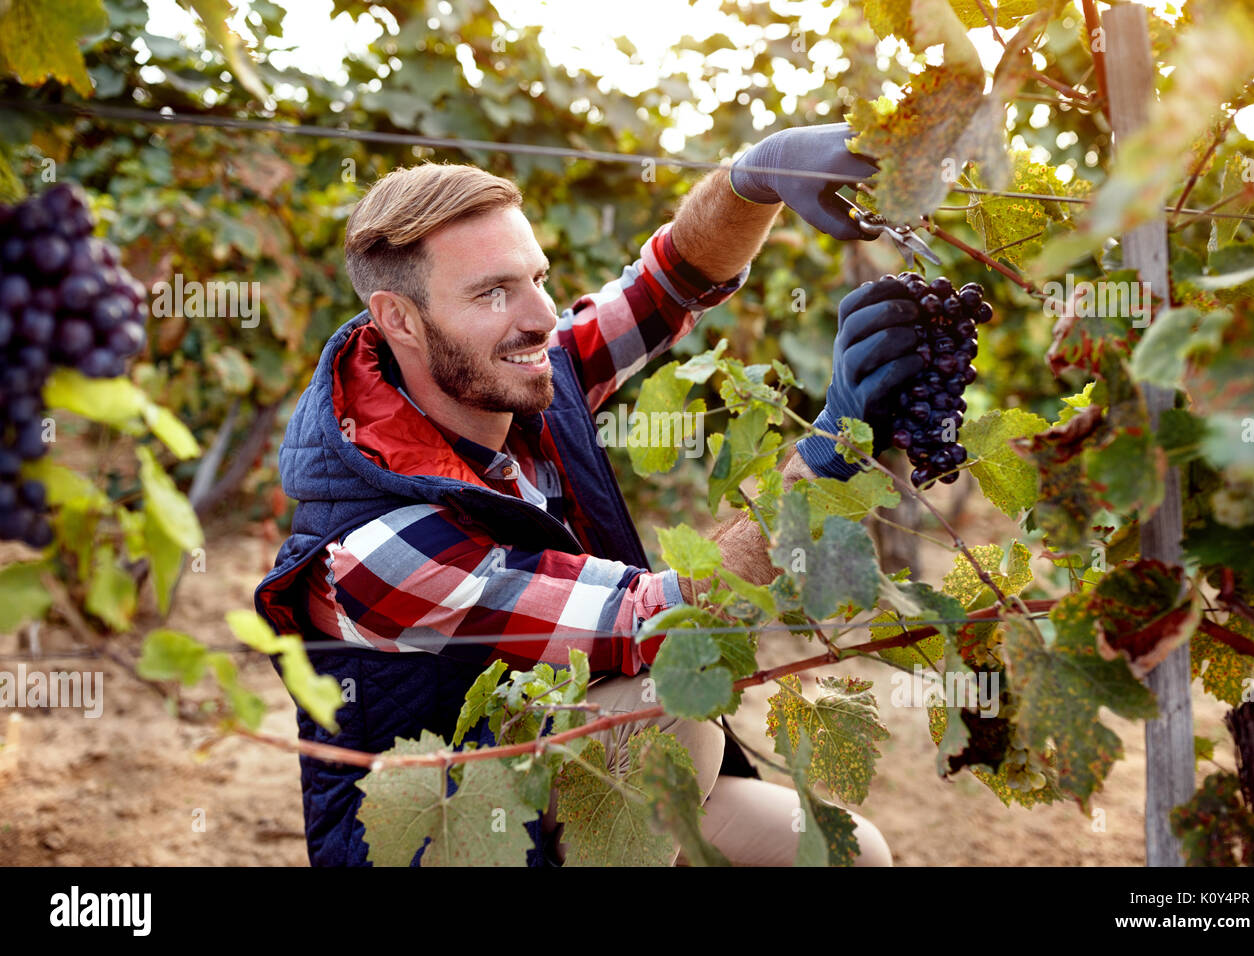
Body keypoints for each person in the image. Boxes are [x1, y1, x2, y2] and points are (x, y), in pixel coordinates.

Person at [253, 123, 924, 866]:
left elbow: (670, 282)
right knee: (666, 707)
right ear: (400, 320)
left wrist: (752, 178)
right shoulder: (384, 547)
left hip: (539, 773)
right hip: (438, 835)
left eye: (536, 278)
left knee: (847, 853)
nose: (541, 316)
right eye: (494, 292)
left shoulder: (513, 376)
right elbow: (662, 621)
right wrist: (821, 456)